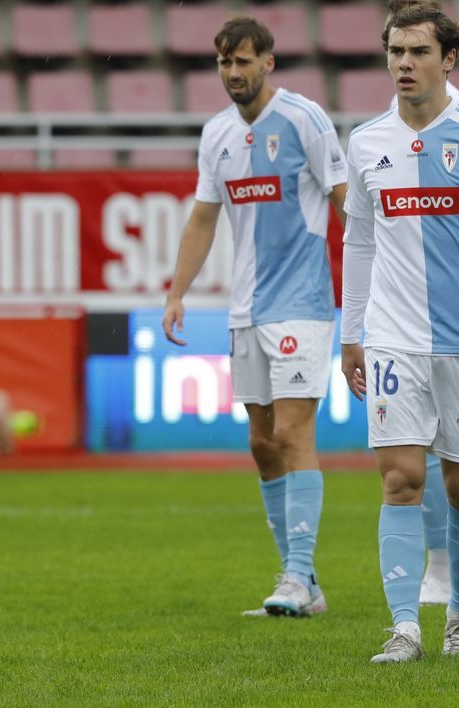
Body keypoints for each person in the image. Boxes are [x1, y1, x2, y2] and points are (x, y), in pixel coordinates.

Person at [340, 3, 459, 664]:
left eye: (418, 52)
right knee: (399, 479)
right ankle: (404, 627)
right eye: (395, 52)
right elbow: (358, 242)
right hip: (393, 337)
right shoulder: (366, 141)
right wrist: (350, 332)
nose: (403, 64)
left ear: (448, 59)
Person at [163, 16, 346, 619]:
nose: (233, 73)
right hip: (245, 306)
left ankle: (295, 576)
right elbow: (203, 217)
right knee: (262, 443)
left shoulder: (304, 119)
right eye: (223, 62)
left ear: (269, 62)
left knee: (293, 434)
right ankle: (306, 582)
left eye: (243, 61)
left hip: (303, 302)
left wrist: (373, 289)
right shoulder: (216, 133)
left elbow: (348, 203)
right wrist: (177, 292)